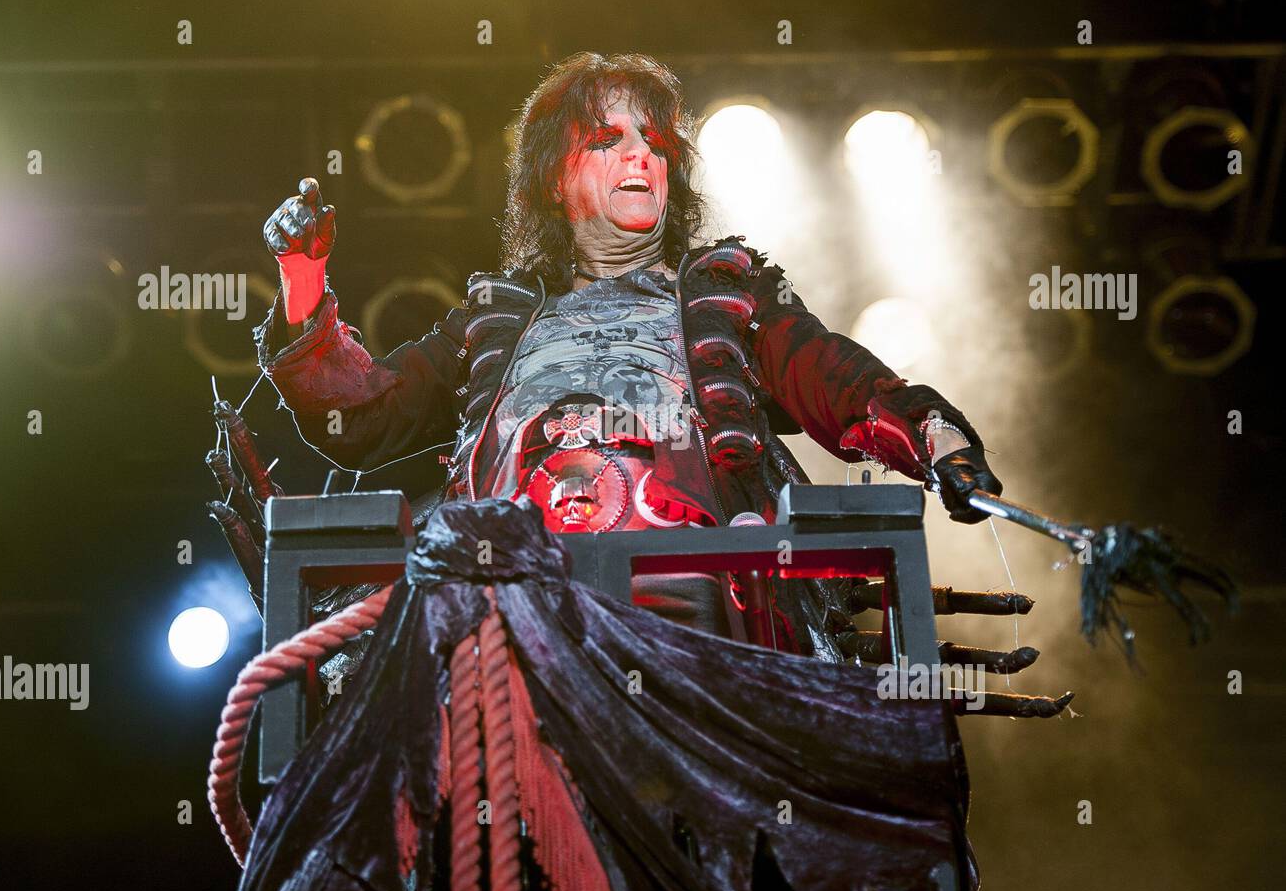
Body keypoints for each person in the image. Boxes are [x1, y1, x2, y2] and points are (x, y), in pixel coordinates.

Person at [254, 51, 1001, 656]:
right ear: (555, 177)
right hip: (507, 605)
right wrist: (302, 276)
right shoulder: (497, 320)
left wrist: (939, 441)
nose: (641, 156)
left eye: (655, 142)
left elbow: (839, 382)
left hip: (702, 600)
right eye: (608, 141)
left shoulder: (725, 294)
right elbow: (360, 418)